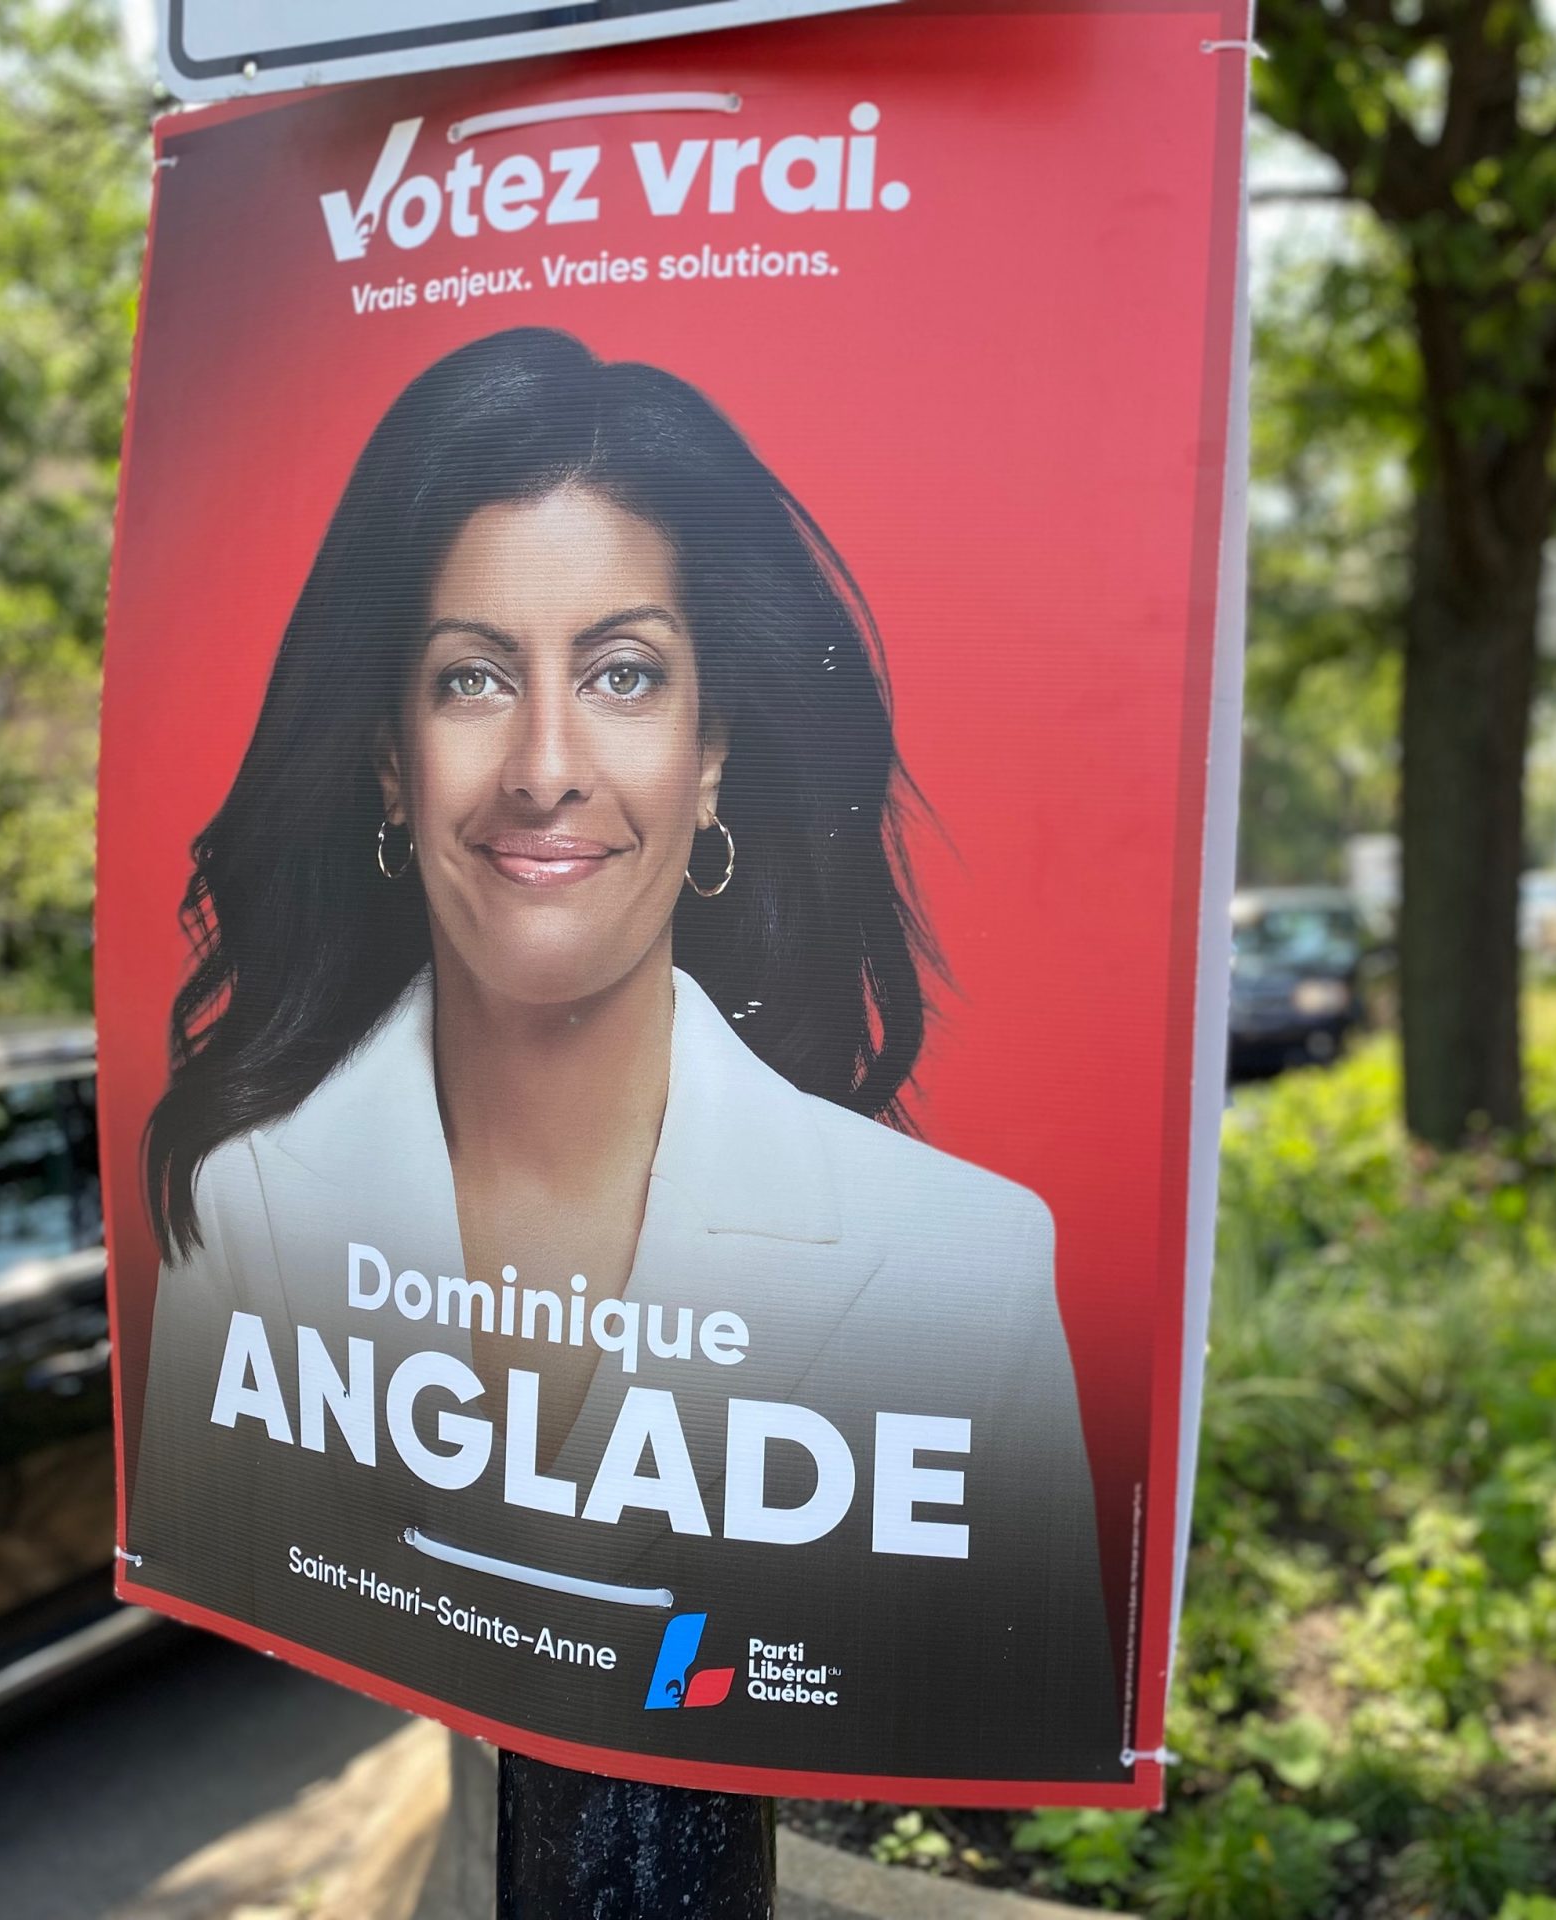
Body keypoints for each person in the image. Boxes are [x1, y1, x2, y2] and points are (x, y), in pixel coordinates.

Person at [124, 326, 1123, 1783]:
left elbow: (1005, 1744)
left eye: (625, 676)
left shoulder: (962, 1276)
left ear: (713, 748)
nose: (543, 765)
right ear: (390, 761)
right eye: (471, 679)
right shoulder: (238, 1204)